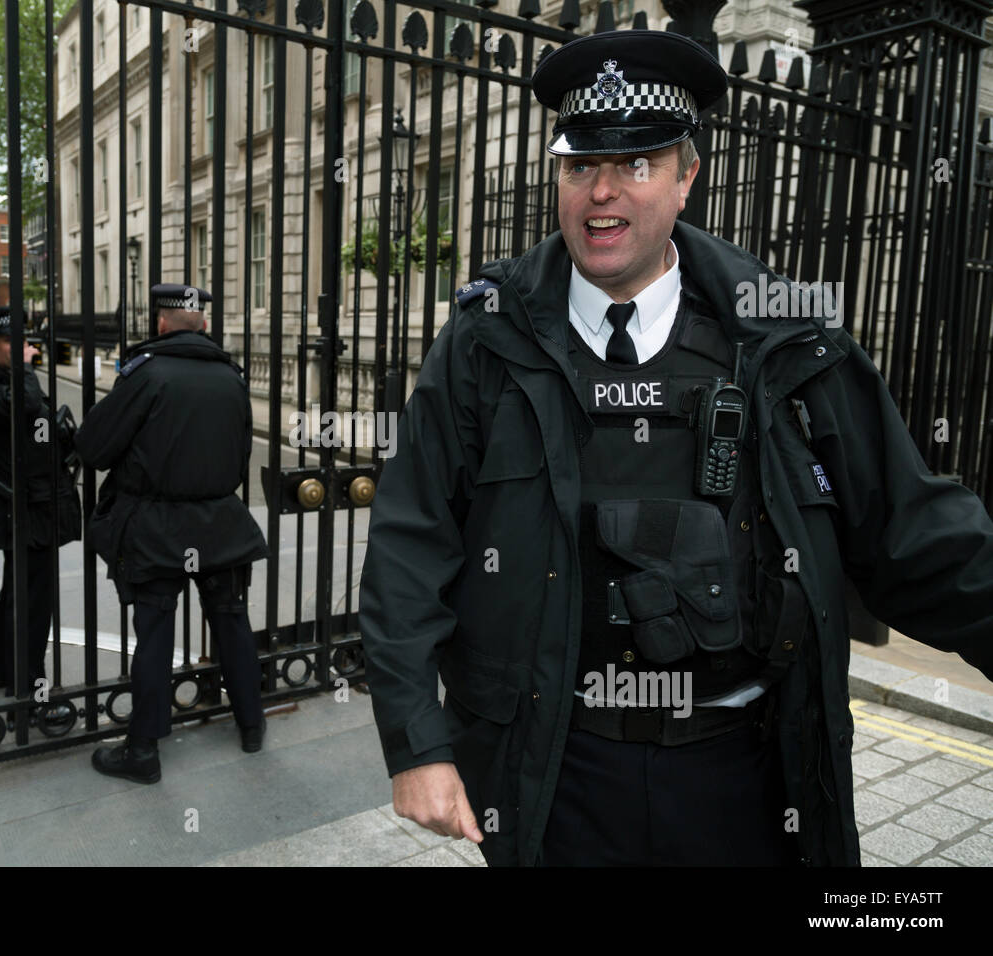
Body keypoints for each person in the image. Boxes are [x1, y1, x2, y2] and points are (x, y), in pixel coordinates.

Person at [358, 28, 993, 867]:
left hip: (746, 777)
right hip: (557, 774)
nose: (602, 194)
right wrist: (419, 744)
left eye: (638, 164)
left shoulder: (786, 339)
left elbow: (915, 535)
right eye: (581, 165)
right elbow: (411, 542)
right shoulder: (484, 344)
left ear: (689, 177)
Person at [76, 283, 269, 783]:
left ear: (160, 323)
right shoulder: (232, 377)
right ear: (202, 323)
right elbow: (242, 452)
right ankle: (251, 726)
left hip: (158, 527)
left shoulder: (146, 374)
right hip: (221, 523)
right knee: (231, 622)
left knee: (156, 634)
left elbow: (94, 447)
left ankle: (143, 751)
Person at [0, 305, 81, 720]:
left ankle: (6, 673)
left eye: (24, 342)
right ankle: (31, 699)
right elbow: (26, 408)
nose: (24, 350)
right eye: (12, 344)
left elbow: (38, 430)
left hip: (32, 511)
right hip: (22, 514)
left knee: (18, 595)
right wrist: (26, 368)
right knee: (32, 602)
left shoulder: (6, 386)